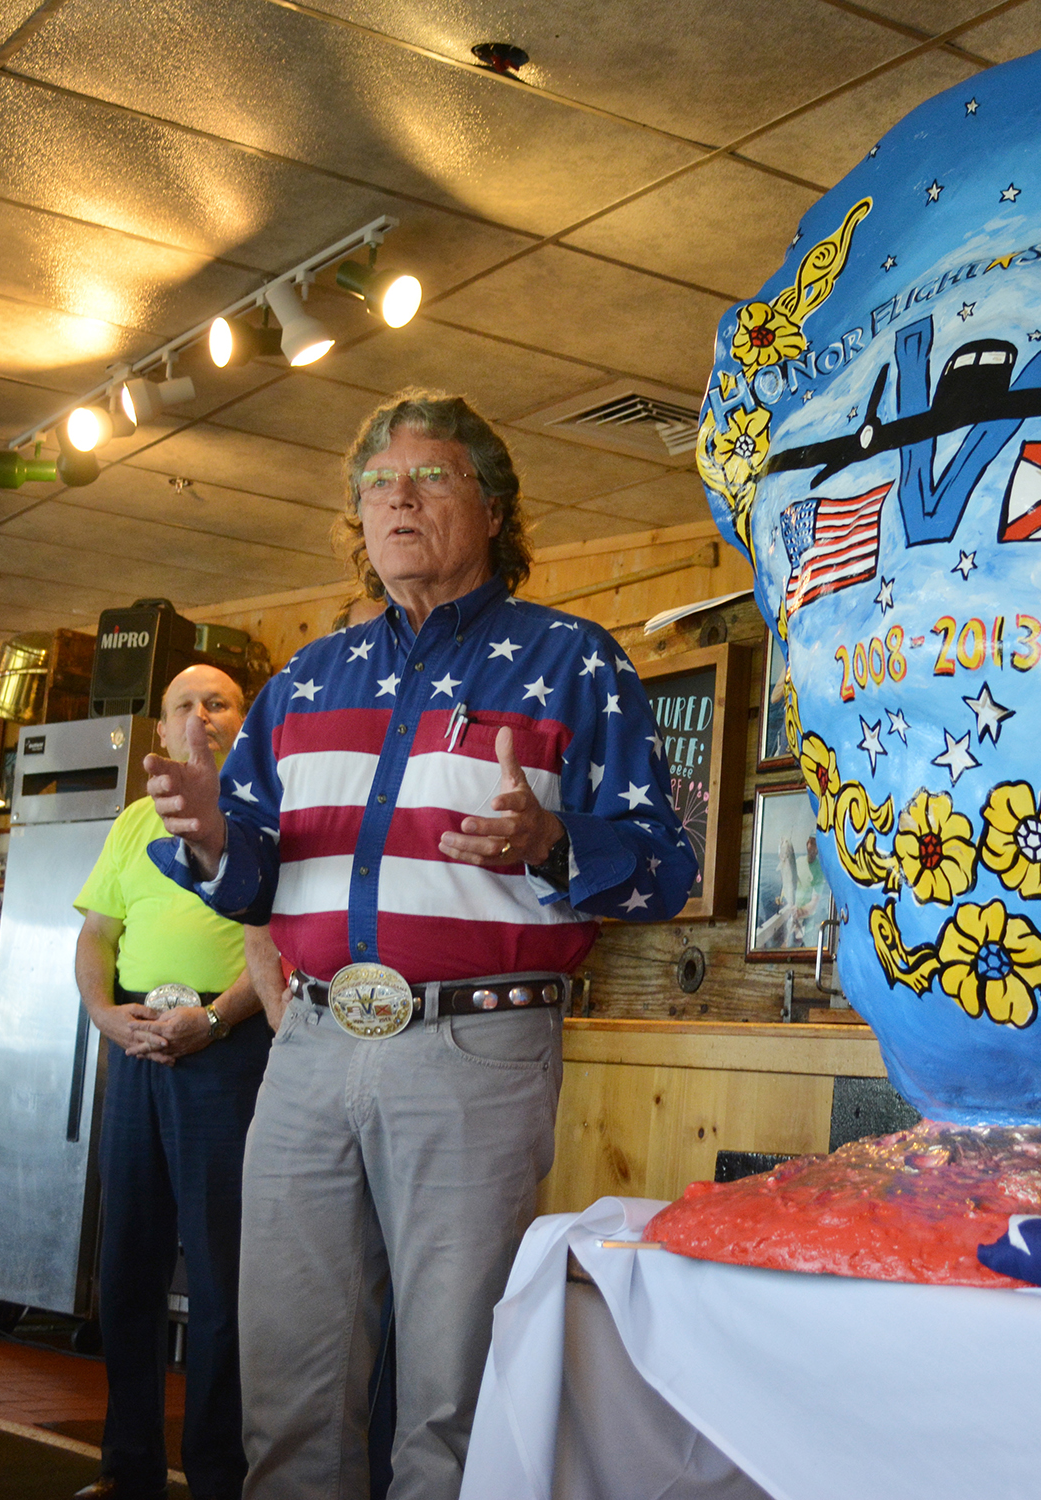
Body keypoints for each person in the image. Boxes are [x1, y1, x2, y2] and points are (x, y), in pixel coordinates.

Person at [145, 389, 696, 1500]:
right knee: (286, 1390)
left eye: (431, 476)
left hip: (476, 1057)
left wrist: (551, 841)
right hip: (305, 1051)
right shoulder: (304, 682)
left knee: (449, 1399)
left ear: (492, 507)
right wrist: (210, 837)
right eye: (377, 483)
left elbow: (665, 870)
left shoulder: (574, 661)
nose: (398, 496)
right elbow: (256, 879)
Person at [72, 664, 268, 1500]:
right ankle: (130, 1471)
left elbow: (283, 948)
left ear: (241, 721)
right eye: (183, 705)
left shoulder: (264, 817)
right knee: (127, 1268)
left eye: (217, 702)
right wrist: (106, 1018)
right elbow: (95, 936)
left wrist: (216, 1020)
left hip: (225, 1052)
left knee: (222, 1277)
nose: (201, 716)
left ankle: (219, 1477)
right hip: (134, 1047)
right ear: (160, 732)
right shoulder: (129, 824)